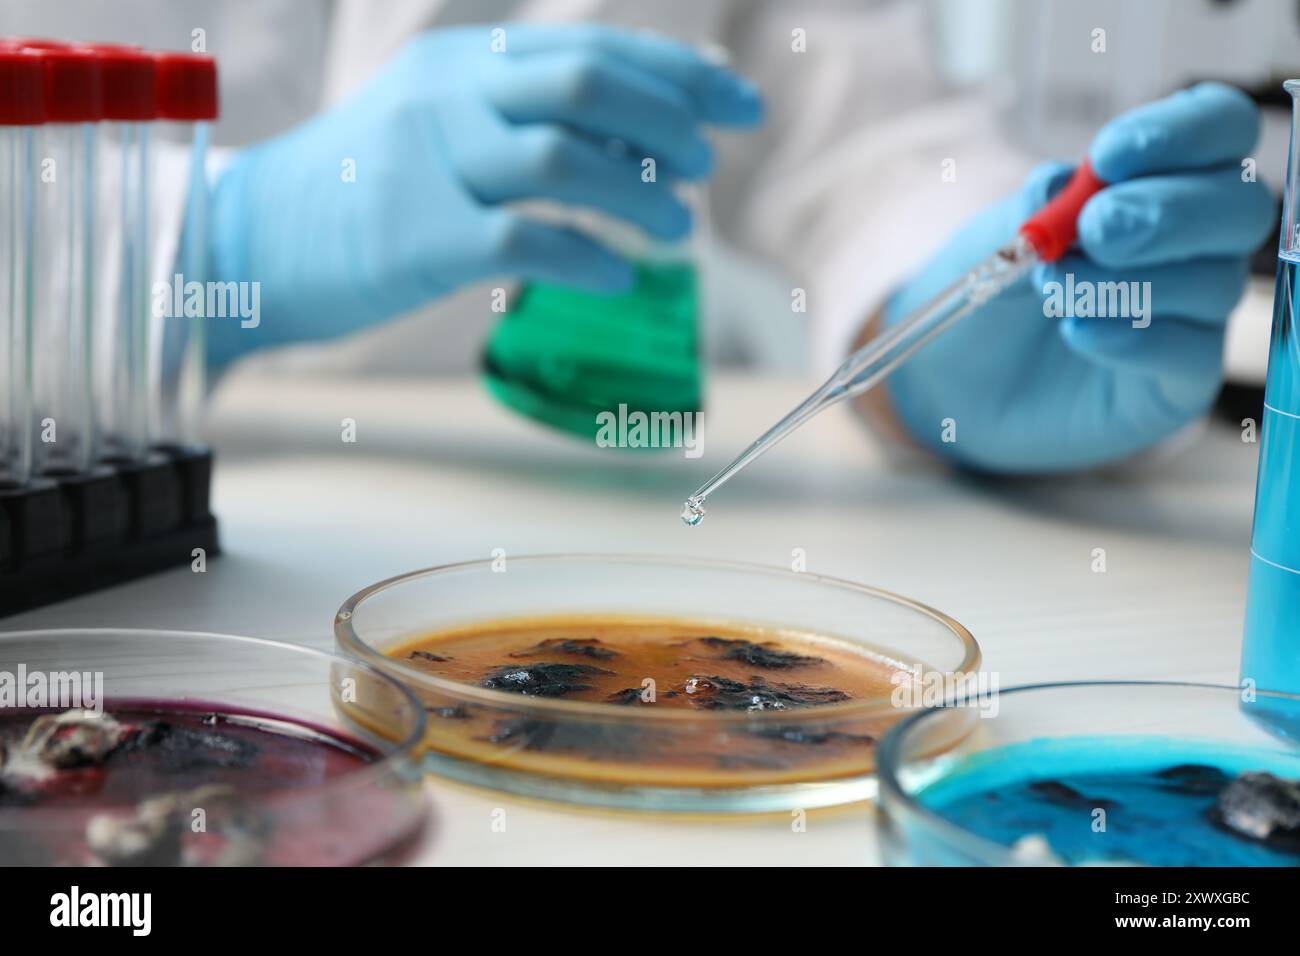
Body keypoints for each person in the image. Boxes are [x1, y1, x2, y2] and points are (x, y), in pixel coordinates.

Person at [3, 0, 1275, 474]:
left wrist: (935, 336)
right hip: (101, 527)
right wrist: (215, 246)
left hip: (544, 486)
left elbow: (879, 144)